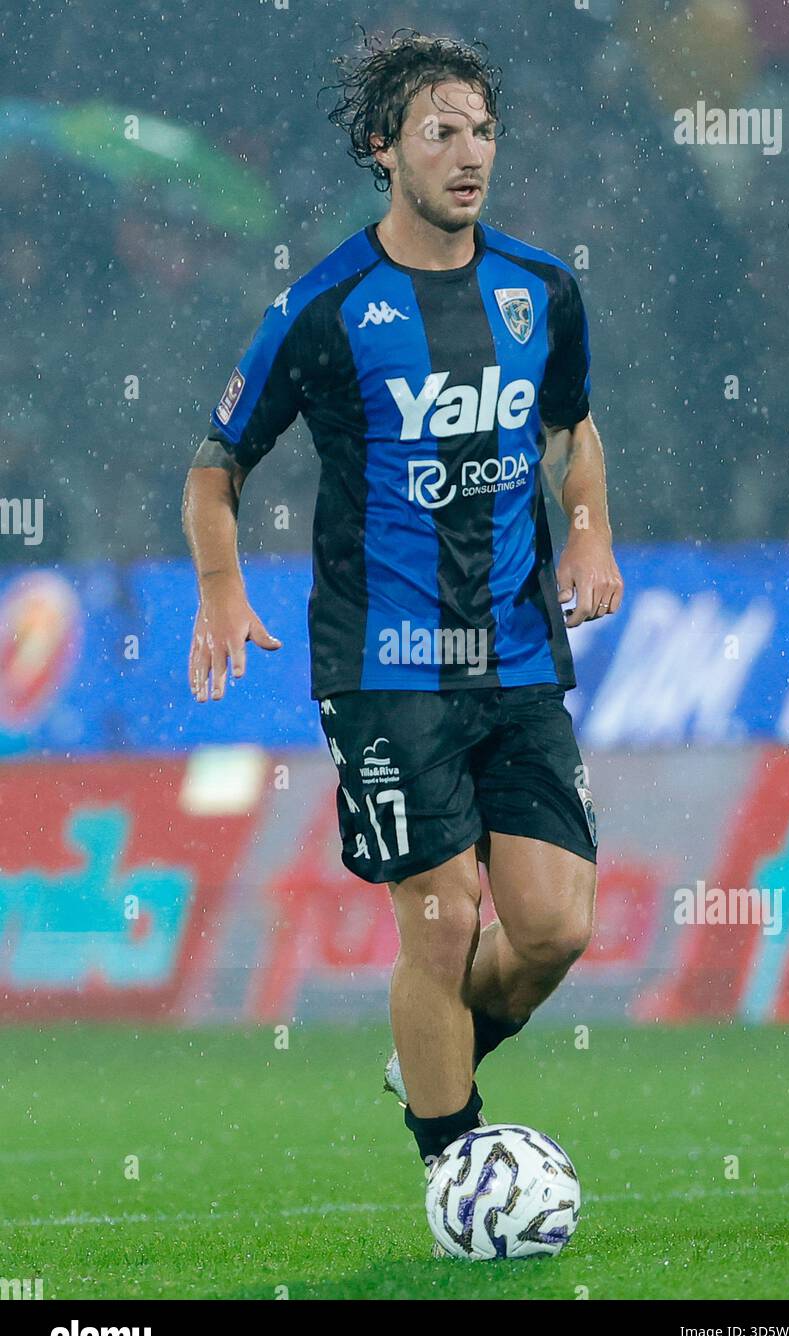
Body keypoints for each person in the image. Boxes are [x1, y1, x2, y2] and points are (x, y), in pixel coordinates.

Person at [182, 31, 623, 1172]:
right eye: (440, 132)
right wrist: (221, 590)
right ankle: (453, 1166)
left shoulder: (540, 288)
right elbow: (215, 461)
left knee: (552, 927)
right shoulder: (326, 306)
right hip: (384, 665)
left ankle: (434, 1054)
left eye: (480, 130)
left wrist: (589, 533)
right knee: (438, 922)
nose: (468, 153)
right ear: (384, 151)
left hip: (518, 653)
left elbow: (572, 431)